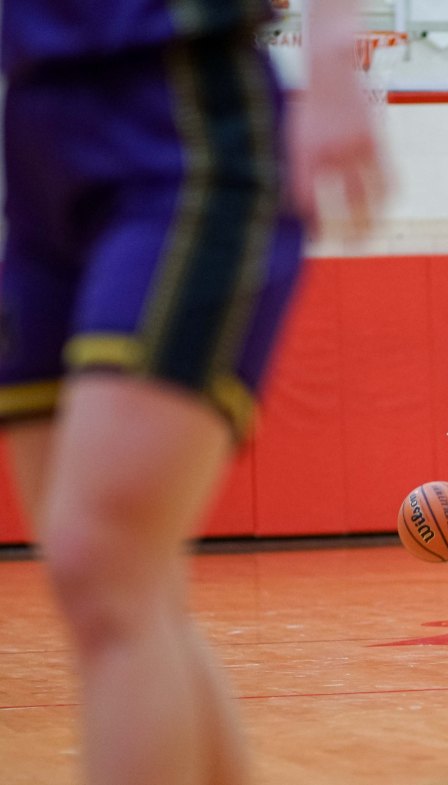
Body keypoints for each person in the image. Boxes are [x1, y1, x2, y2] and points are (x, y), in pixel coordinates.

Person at [0, 1, 383, 783]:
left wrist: (337, 55)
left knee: (101, 558)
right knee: (122, 580)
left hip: (182, 108)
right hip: (37, 131)